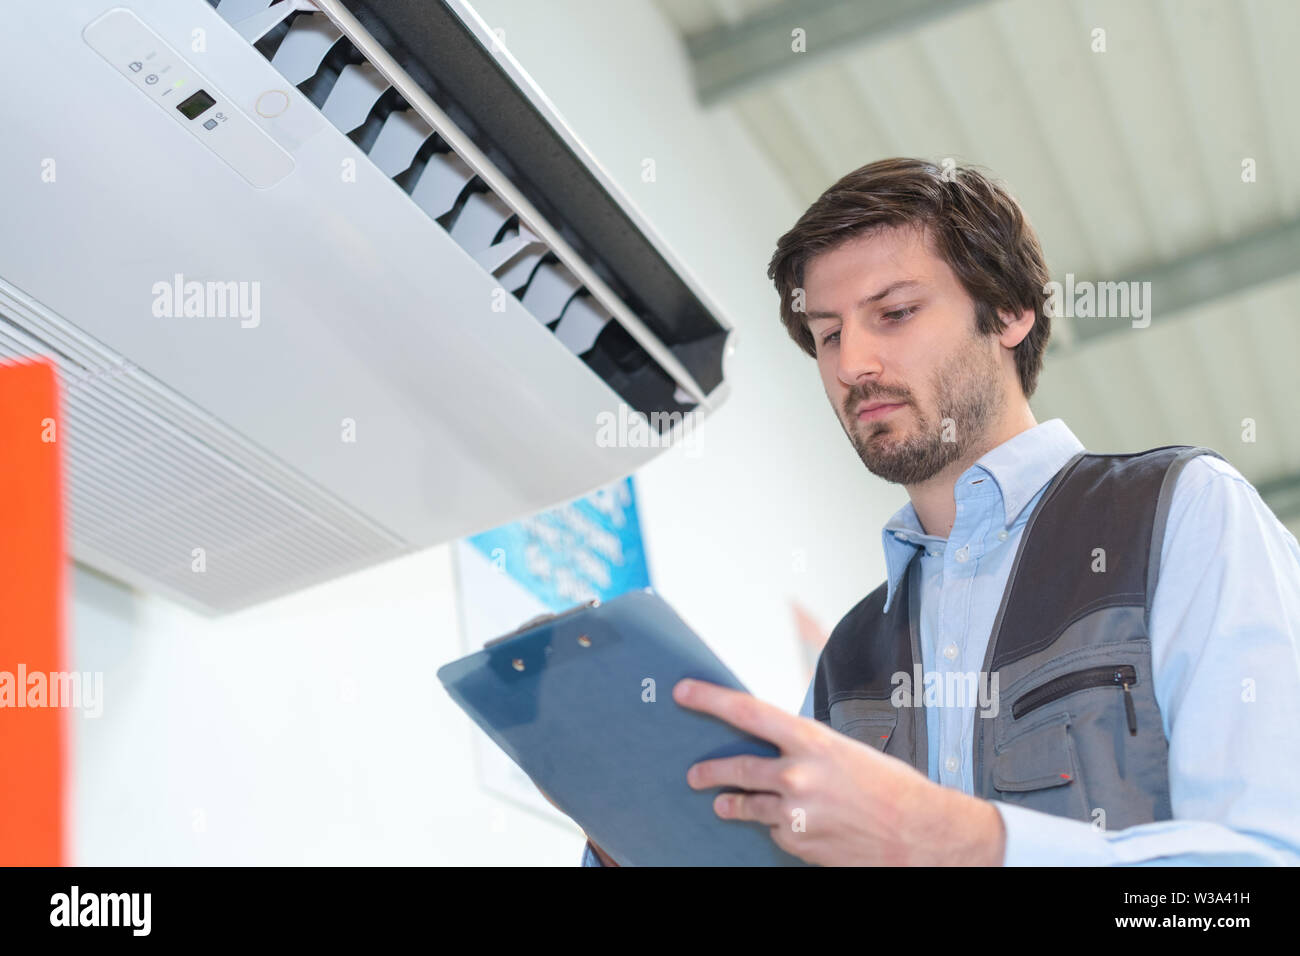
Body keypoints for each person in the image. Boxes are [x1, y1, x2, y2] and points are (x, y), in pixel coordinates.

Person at [580, 157, 1300, 866]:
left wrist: (965, 843)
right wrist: (630, 820)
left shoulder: (1180, 512)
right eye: (829, 335)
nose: (852, 364)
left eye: (894, 314)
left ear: (1012, 311)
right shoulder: (849, 658)